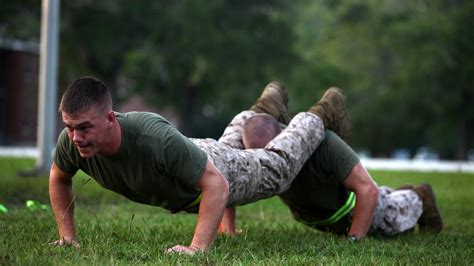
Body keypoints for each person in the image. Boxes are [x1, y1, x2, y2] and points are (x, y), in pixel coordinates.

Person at [49, 77, 349, 255]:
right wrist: (67, 237)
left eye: (84, 128)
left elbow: (217, 185)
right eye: (69, 127)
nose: (75, 137)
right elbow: (59, 178)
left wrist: (197, 248)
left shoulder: (152, 138)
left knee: (278, 167)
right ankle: (263, 110)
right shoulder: (71, 141)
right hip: (199, 154)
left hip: (220, 168)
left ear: (110, 118)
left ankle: (321, 113)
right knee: (229, 148)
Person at [218, 87, 443, 240]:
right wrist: (228, 231)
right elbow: (233, 179)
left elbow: (368, 191)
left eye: (270, 154)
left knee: (391, 222)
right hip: (318, 214)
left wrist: (354, 239)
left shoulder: (324, 144)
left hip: (352, 211)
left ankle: (418, 196)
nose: (267, 161)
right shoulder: (254, 153)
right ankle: (400, 193)